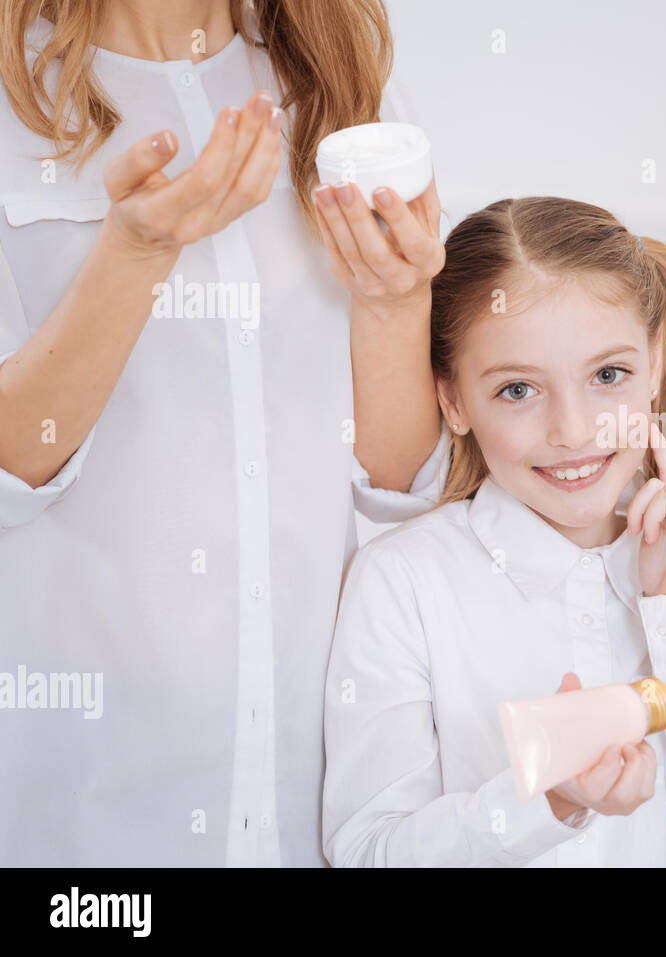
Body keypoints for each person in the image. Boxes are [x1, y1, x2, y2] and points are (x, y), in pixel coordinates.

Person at [0, 0, 448, 865]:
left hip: (309, 783)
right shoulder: (13, 103)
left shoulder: (345, 90)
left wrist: (397, 301)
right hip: (81, 794)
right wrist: (133, 255)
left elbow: (393, 477)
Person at [322, 197, 666, 866]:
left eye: (609, 375)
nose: (574, 431)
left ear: (654, 366)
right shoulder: (402, 583)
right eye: (518, 389)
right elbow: (369, 850)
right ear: (453, 399)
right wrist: (545, 802)